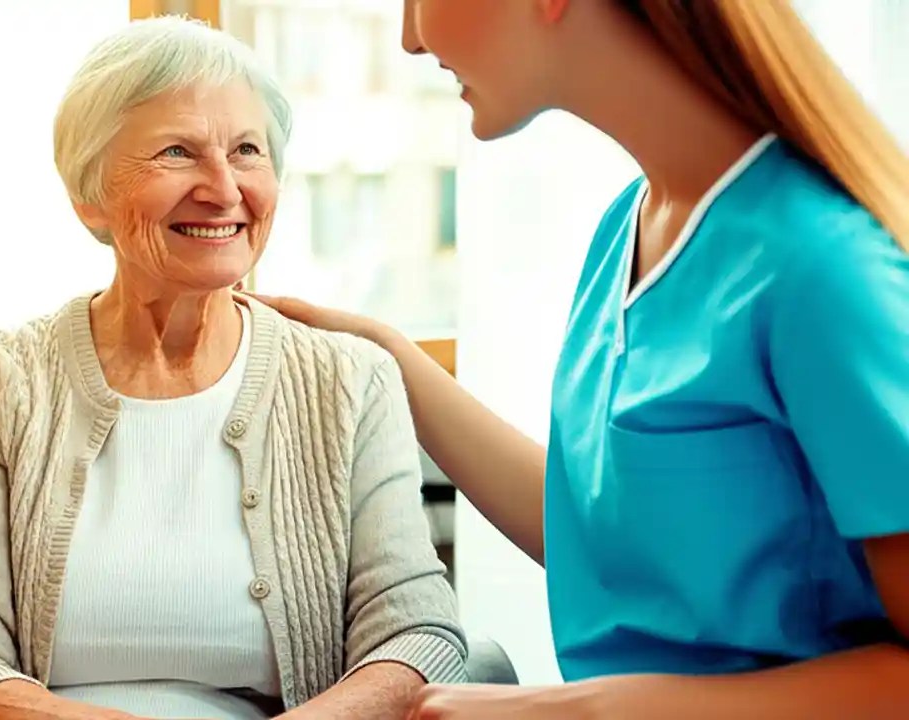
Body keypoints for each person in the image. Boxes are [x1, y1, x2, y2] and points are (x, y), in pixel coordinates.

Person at [257, 1, 909, 718]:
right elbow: (616, 537)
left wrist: (579, 709)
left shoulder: (820, 265)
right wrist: (391, 360)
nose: (410, 38)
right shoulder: (628, 228)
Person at [0, 16, 470, 720]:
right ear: (88, 194)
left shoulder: (350, 382)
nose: (224, 189)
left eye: (248, 151)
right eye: (177, 152)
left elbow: (418, 634)